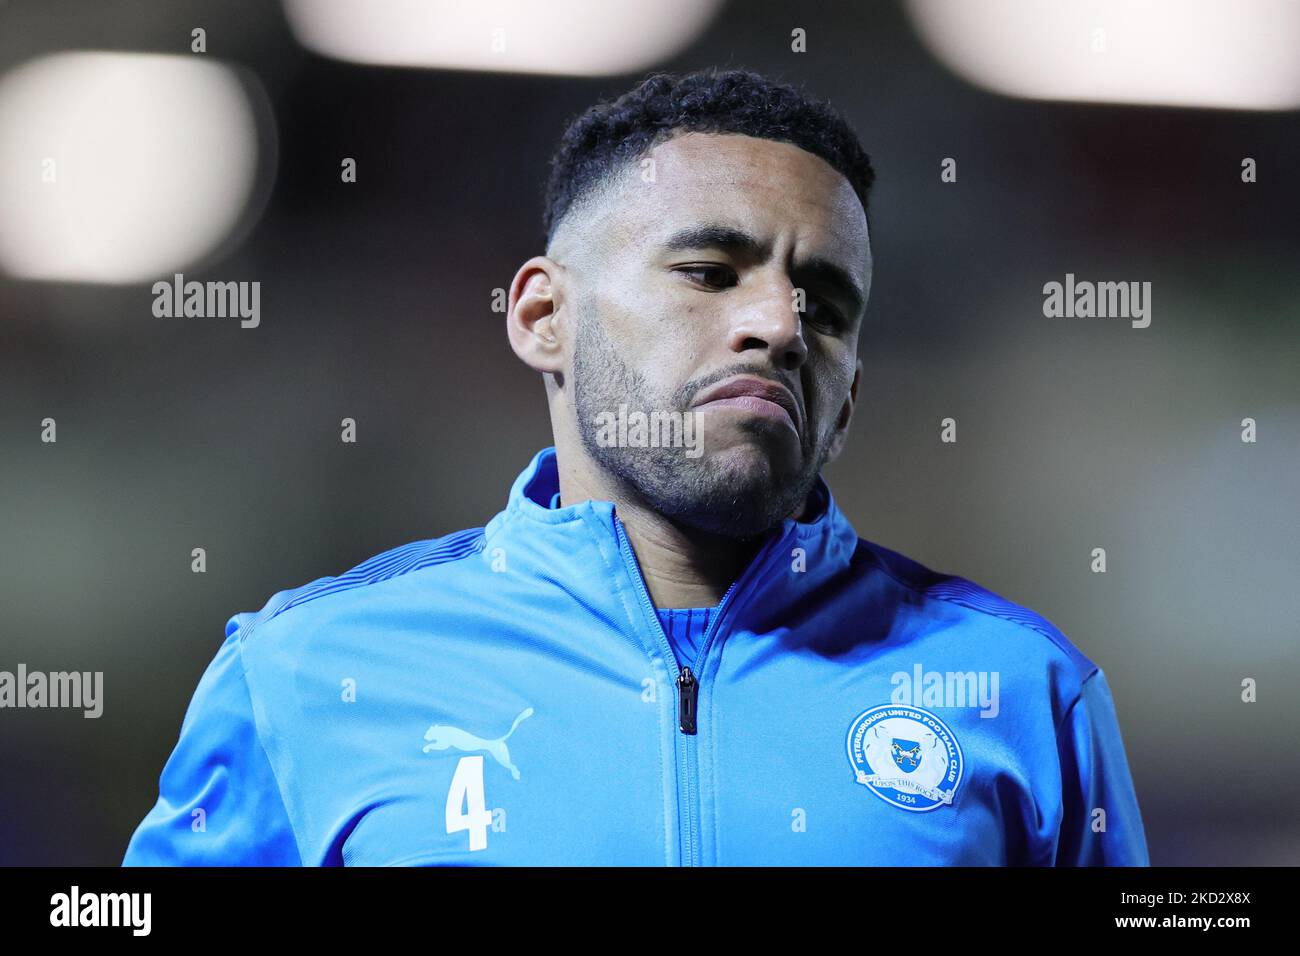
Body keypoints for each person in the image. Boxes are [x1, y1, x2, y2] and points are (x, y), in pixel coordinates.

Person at [123, 67, 1149, 866]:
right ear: (541, 315)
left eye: (825, 307)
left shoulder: (1023, 694)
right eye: (709, 272)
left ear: (850, 398)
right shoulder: (304, 673)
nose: (778, 327)